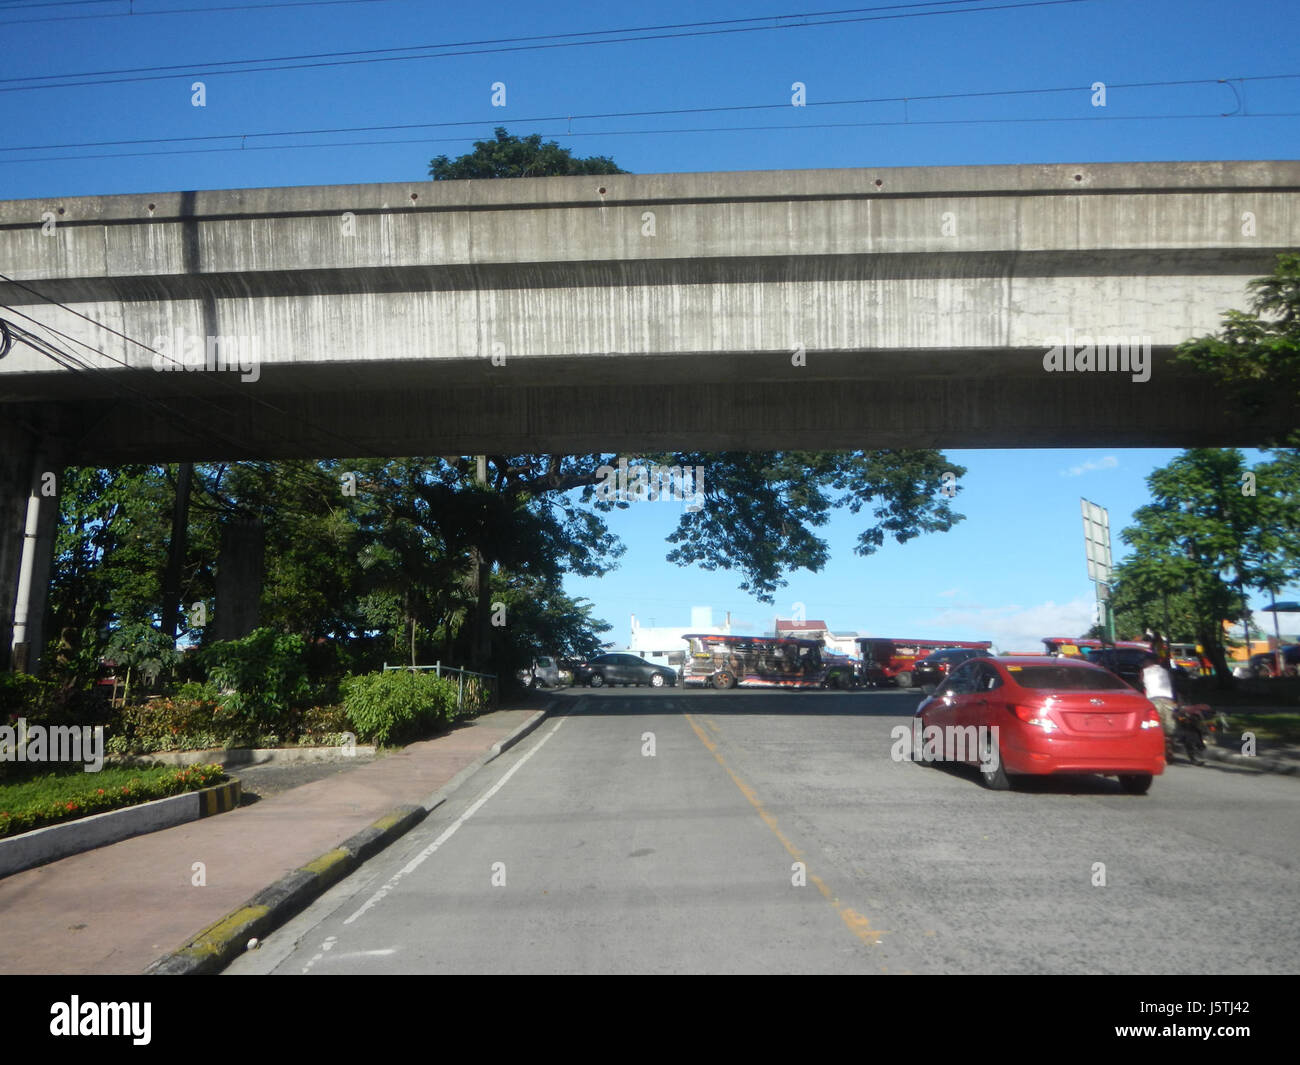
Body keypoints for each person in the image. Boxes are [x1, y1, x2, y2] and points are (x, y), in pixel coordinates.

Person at [1141, 651, 1178, 737]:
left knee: (1155, 725)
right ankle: (1171, 741)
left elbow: (1140, 684)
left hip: (1154, 700)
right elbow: (1172, 685)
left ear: (1148, 661)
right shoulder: (1165, 671)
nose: (1143, 663)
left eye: (1144, 661)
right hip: (1168, 699)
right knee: (1170, 726)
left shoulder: (1144, 672)